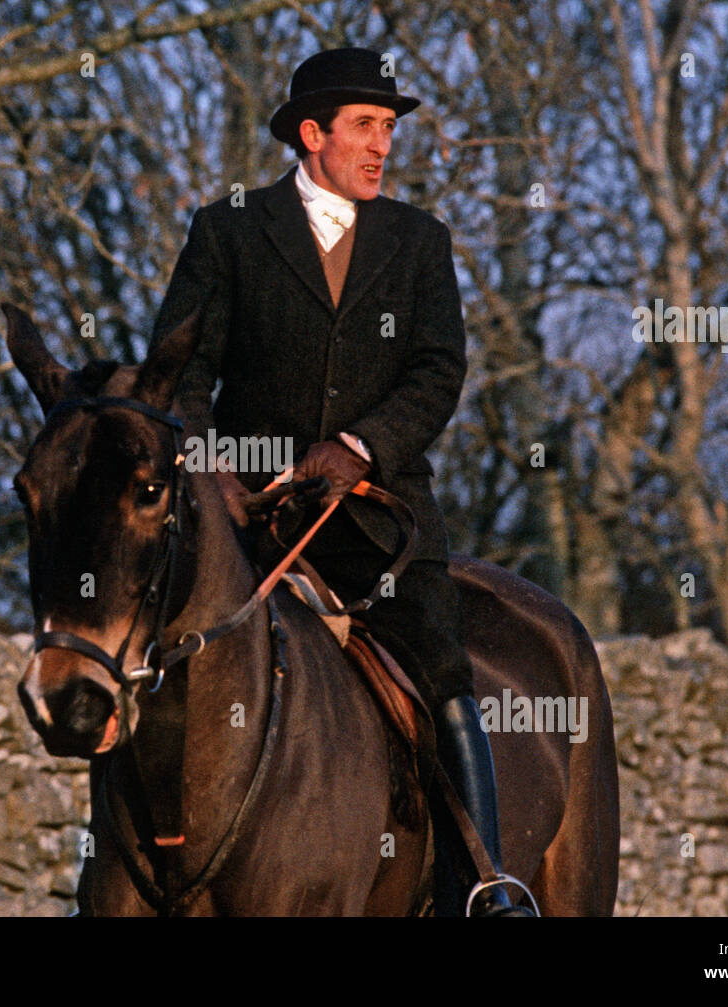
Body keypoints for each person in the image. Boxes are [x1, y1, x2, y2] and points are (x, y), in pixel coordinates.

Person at [149, 46, 533, 917]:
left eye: (389, 128)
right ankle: (117, 880)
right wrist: (211, 475)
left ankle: (488, 886)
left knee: (445, 683)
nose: (382, 145)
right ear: (313, 134)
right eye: (366, 126)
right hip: (248, 530)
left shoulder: (419, 241)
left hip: (379, 528)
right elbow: (181, 372)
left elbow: (439, 370)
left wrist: (361, 447)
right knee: (156, 666)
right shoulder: (227, 231)